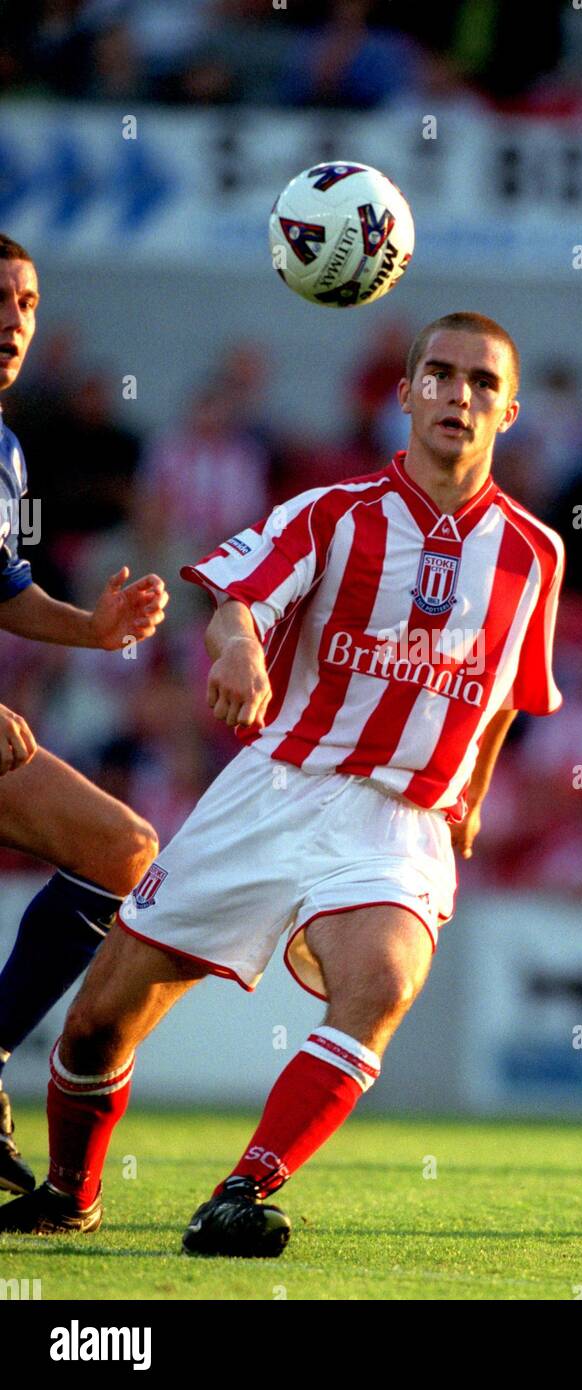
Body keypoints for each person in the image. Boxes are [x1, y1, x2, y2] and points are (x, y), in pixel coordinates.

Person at [0, 311, 565, 1256]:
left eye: (479, 383)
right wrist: (242, 654)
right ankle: (71, 1190)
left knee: (381, 981)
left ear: (508, 411)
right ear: (406, 392)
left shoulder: (534, 553)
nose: (456, 395)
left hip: (400, 816)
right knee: (99, 1023)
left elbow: (508, 692)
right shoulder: (328, 513)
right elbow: (234, 603)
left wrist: (469, 795)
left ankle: (243, 1191)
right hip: (274, 789)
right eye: (438, 374)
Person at [0, 233, 168, 1194]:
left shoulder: (7, 449)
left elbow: (7, 590)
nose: (12, 321)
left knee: (120, 851)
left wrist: (94, 630)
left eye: (26, 302)